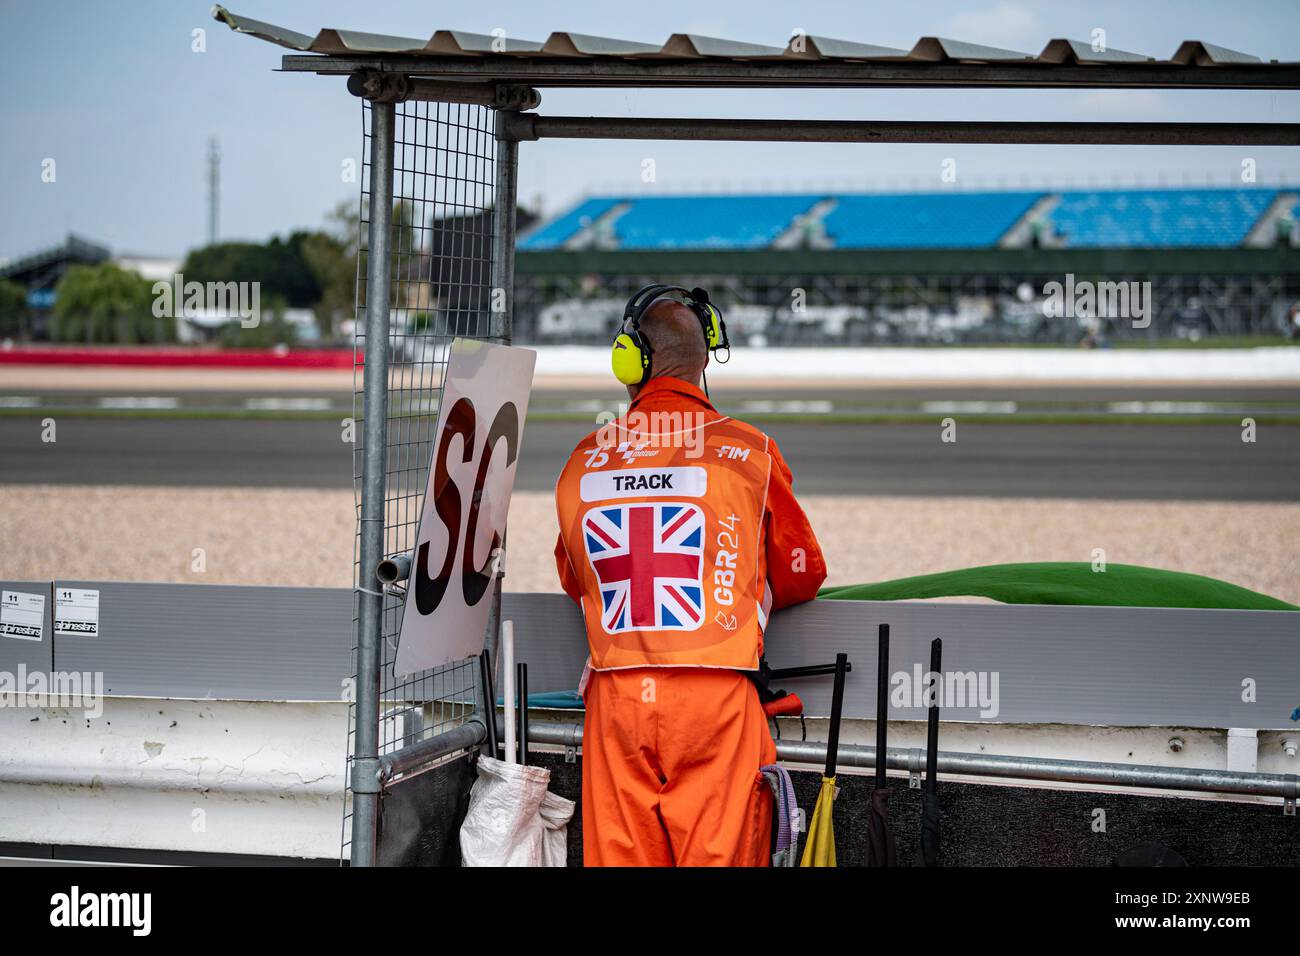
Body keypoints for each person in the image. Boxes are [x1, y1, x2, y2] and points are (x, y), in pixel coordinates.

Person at [553, 285, 826, 866]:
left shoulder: (583, 458)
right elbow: (803, 573)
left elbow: (574, 577)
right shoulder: (751, 451)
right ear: (706, 359)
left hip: (616, 699)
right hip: (717, 694)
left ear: (629, 360)